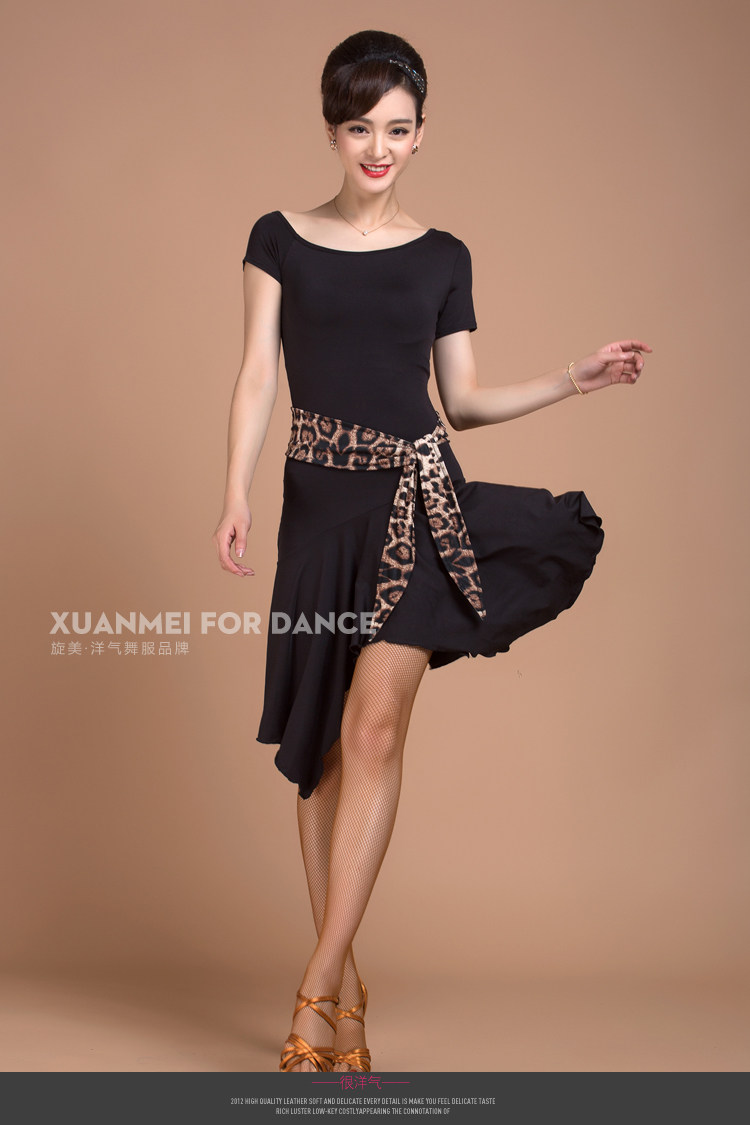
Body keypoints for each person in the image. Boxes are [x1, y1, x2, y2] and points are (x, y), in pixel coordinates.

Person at [212, 28, 652, 1073]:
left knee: (373, 728)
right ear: (333, 129)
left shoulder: (444, 255)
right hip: (317, 507)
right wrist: (233, 489)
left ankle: (315, 988)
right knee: (322, 753)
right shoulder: (277, 238)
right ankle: (348, 994)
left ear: (421, 134)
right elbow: (258, 375)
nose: (379, 148)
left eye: (399, 129)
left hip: (417, 502)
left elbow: (460, 403)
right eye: (361, 128)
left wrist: (574, 379)